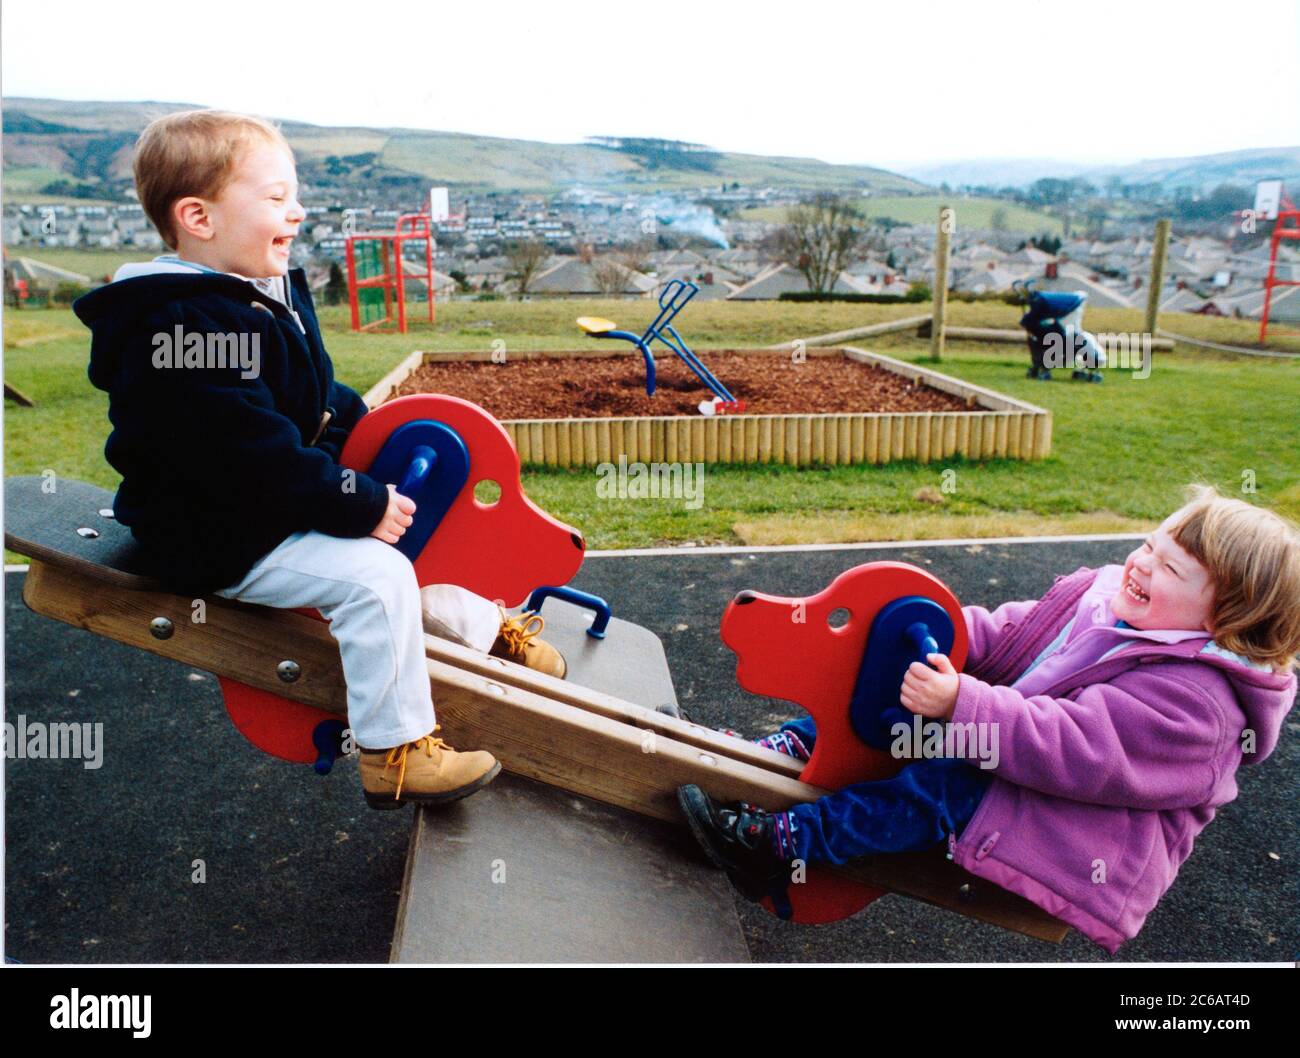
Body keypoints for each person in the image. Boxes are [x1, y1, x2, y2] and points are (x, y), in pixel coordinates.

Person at [73, 109, 556, 808]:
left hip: (259, 509)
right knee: (372, 576)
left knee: (408, 534)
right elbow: (246, 451)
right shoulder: (175, 325)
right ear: (198, 217)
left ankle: (485, 634)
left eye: (293, 195)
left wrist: (360, 440)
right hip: (213, 536)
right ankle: (395, 753)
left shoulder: (259, 292)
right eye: (274, 197)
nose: (296, 212)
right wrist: (351, 498)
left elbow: (313, 394)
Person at [679, 484, 1300, 952]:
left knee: (952, 778)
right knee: (894, 694)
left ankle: (786, 844)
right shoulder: (1109, 604)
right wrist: (938, 642)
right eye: (1148, 545)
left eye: (1170, 569)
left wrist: (963, 705)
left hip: (1074, 833)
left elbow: (1075, 747)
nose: (1141, 564)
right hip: (1015, 755)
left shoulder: (1201, 705)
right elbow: (1008, 634)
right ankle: (772, 753)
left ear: (1228, 618)